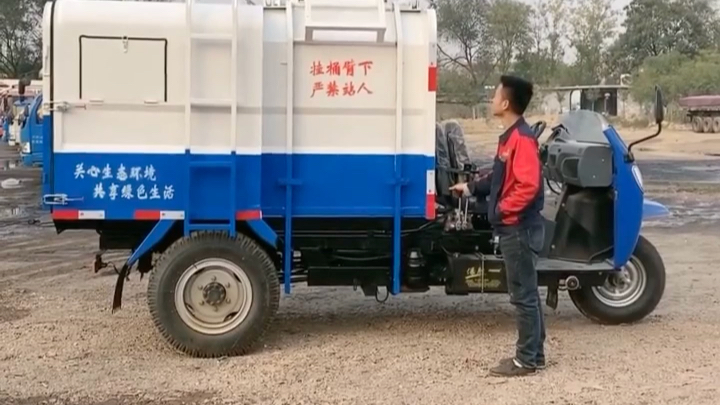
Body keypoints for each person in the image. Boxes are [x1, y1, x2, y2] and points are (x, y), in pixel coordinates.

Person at [450, 75, 546, 377]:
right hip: (516, 227)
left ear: (505, 103)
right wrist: (470, 188)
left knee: (523, 295)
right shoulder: (510, 137)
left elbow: (528, 186)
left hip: (519, 229)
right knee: (527, 291)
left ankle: (526, 360)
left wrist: (502, 212)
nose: (491, 99)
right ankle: (535, 354)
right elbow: (499, 177)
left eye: (495, 95)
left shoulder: (522, 139)